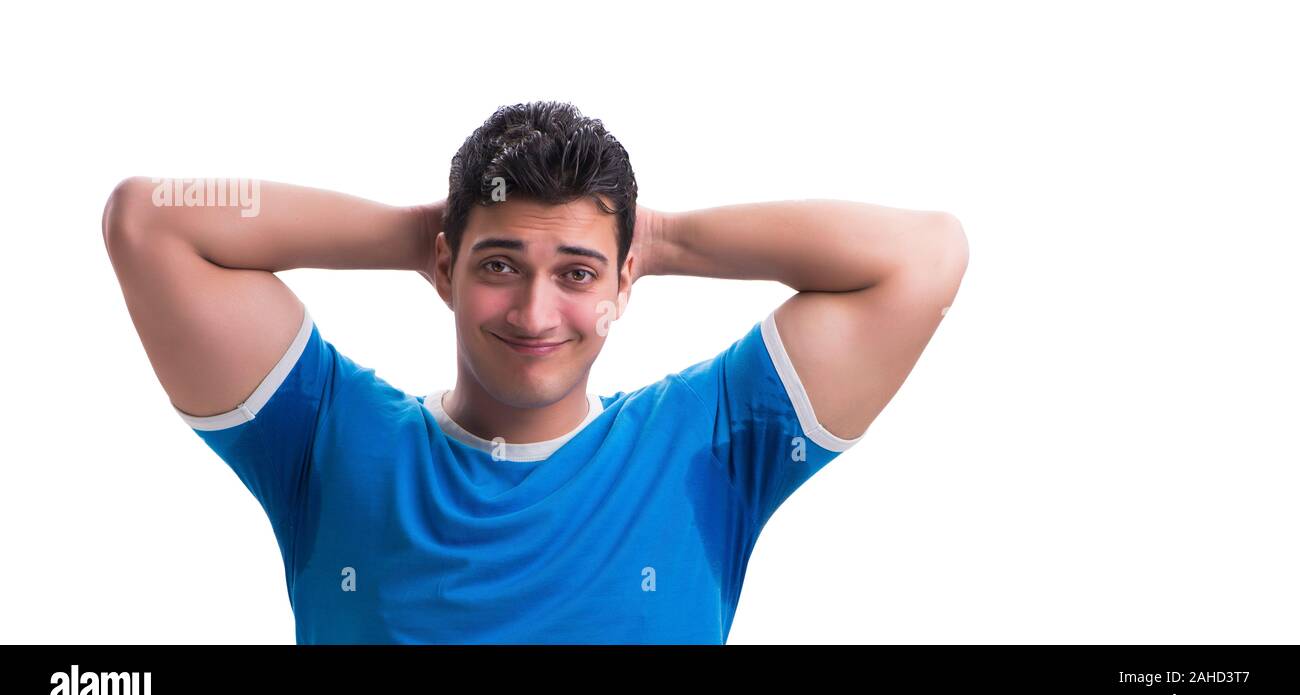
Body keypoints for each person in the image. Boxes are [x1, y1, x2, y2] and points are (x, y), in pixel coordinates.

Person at [101, 100, 969, 644]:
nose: (535, 313)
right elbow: (149, 220)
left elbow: (925, 255)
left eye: (580, 272)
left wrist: (658, 237)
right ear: (447, 267)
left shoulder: (709, 447)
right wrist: (420, 235)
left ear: (626, 280)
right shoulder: (327, 435)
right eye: (499, 266)